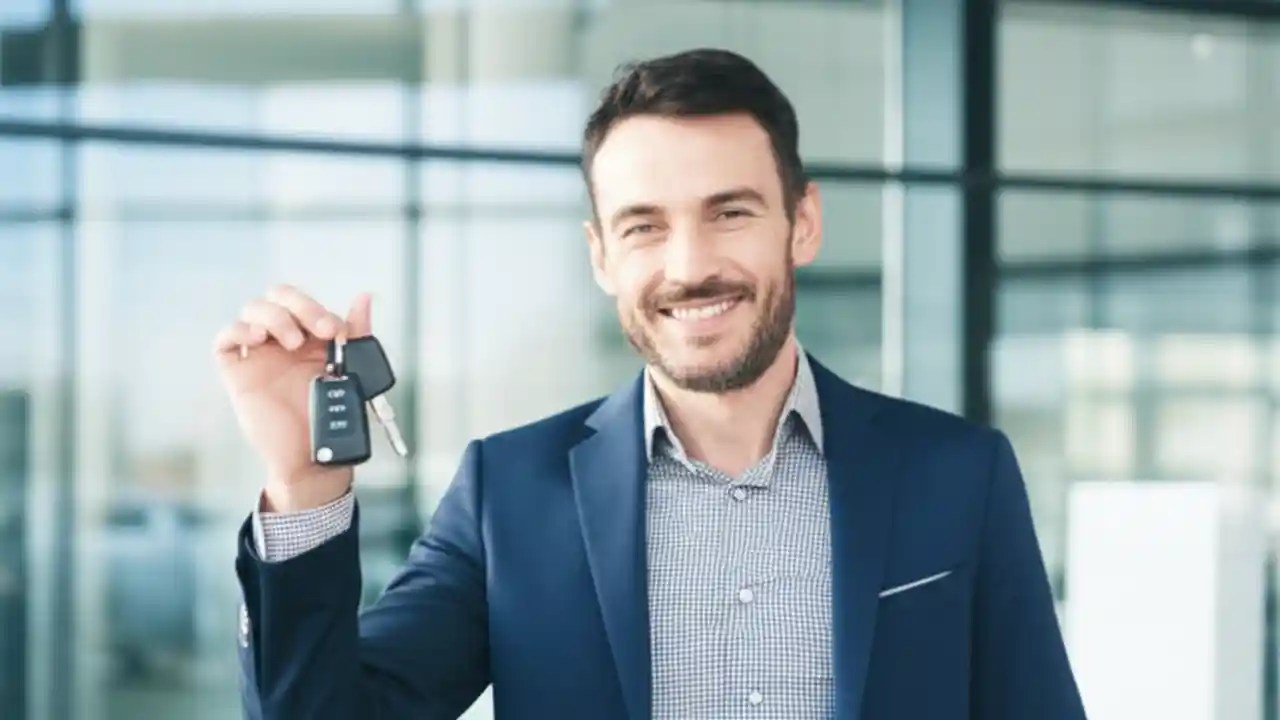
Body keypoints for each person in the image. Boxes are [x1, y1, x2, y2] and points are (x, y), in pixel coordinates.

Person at [215, 48, 1086, 720]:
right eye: (643, 227)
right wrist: (305, 483)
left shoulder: (958, 475)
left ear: (804, 223)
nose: (690, 266)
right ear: (602, 256)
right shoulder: (509, 494)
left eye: (729, 212)